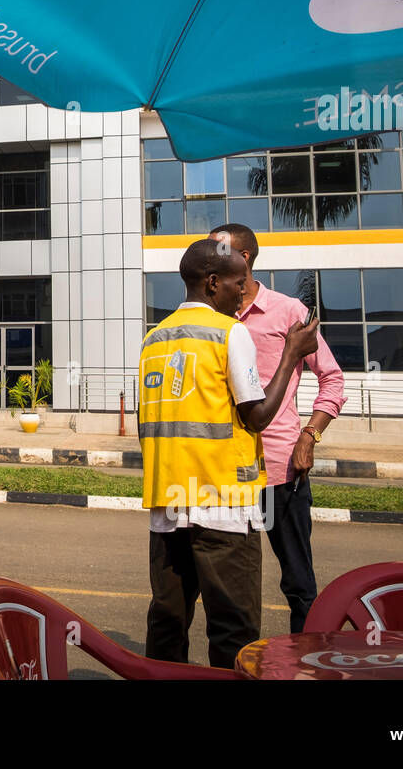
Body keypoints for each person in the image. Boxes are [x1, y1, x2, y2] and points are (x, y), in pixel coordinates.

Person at [140, 238, 318, 668]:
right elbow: (256, 416)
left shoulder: (154, 337)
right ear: (213, 282)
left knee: (168, 622)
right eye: (239, 282)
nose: (244, 291)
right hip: (222, 502)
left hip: (168, 503)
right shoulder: (229, 331)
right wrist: (292, 352)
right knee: (233, 627)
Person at [210, 223, 346, 633]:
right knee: (227, 586)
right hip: (225, 472)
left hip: (280, 469)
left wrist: (310, 437)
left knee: (299, 583)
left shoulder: (288, 311)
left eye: (218, 252)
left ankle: (305, 664)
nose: (209, 260)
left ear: (244, 259)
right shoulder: (210, 317)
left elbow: (333, 379)